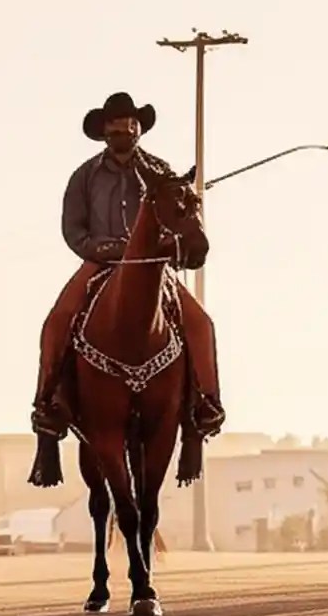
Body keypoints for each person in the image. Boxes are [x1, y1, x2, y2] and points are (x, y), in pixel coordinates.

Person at [30, 92, 226, 483]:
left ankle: (206, 404)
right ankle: (47, 406)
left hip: (153, 269)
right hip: (100, 263)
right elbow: (73, 229)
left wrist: (179, 236)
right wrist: (104, 249)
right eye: (117, 124)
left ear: (139, 128)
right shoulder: (84, 176)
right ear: (104, 131)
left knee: (201, 323)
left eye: (131, 123)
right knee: (57, 321)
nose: (125, 129)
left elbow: (180, 217)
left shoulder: (161, 170)